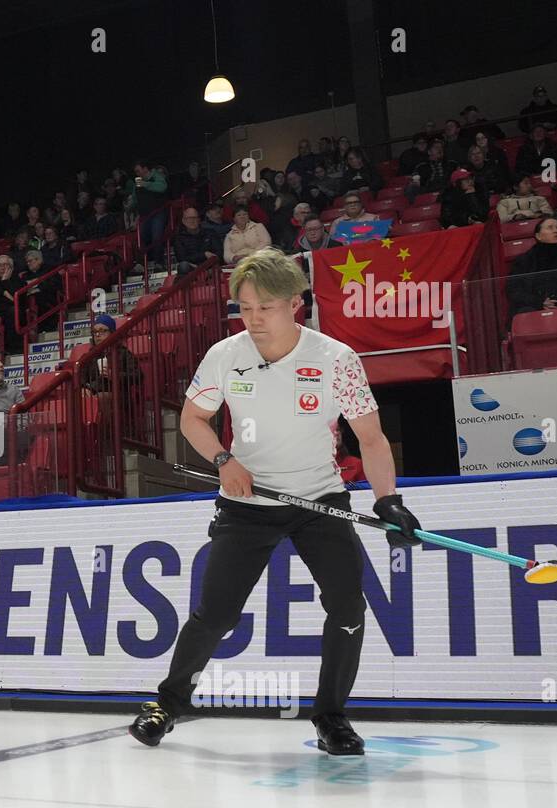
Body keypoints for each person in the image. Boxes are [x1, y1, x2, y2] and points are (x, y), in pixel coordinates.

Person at [129, 247, 421, 756]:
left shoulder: (336, 360)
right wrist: (224, 460)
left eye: (264, 306)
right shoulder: (225, 355)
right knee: (215, 616)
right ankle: (168, 704)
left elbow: (370, 439)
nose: (254, 318)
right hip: (246, 504)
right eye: (244, 308)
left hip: (319, 499)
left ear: (295, 302)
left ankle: (331, 717)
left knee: (349, 607)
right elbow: (194, 420)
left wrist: (388, 501)